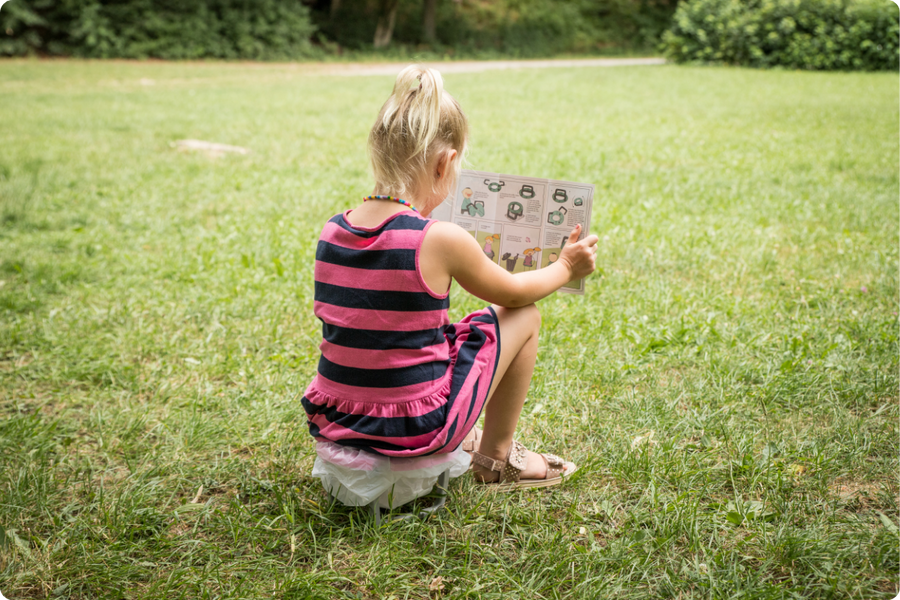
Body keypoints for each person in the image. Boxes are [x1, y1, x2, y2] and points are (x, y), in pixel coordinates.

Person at [302, 65, 598, 490]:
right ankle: (495, 458)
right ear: (447, 162)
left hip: (338, 419)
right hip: (415, 427)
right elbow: (514, 293)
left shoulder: (333, 229)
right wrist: (566, 266)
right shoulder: (439, 238)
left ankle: (472, 445)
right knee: (524, 316)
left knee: (442, 337)